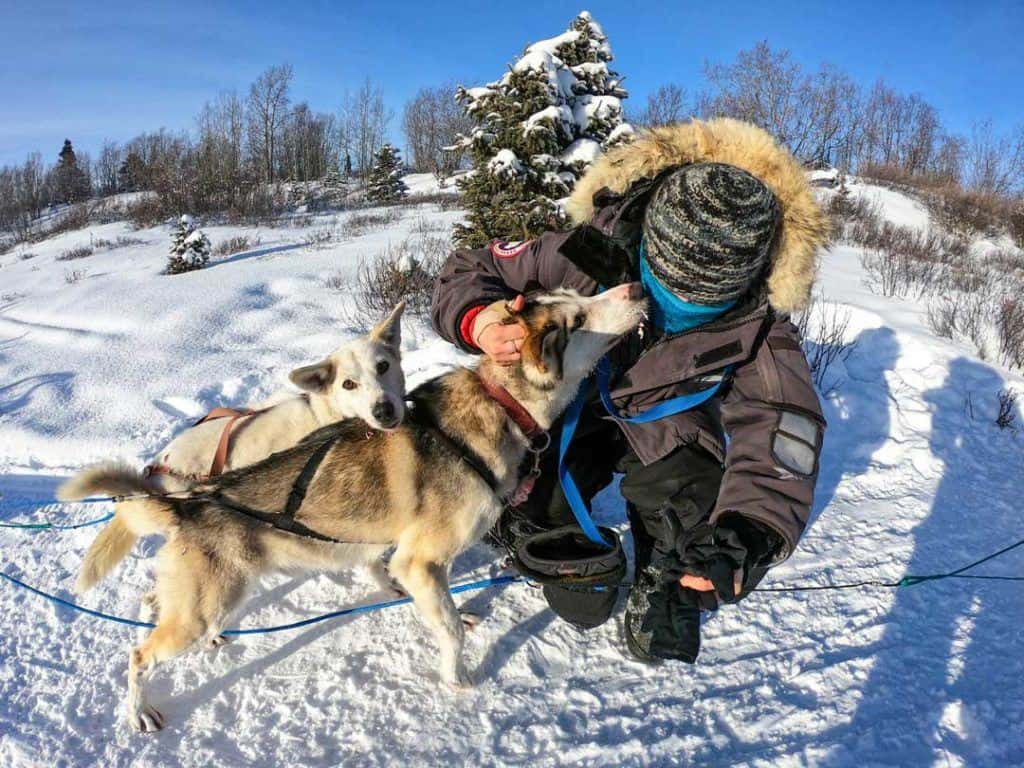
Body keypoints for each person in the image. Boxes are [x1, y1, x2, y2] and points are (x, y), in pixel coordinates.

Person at [430, 118, 830, 663]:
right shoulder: (586, 250)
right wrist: (479, 319)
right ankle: (529, 531)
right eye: (665, 285)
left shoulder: (761, 325)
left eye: (699, 305)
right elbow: (471, 268)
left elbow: (785, 430)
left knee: (693, 530)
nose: (672, 308)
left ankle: (664, 576)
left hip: (666, 431)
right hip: (568, 419)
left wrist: (749, 531)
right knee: (580, 597)